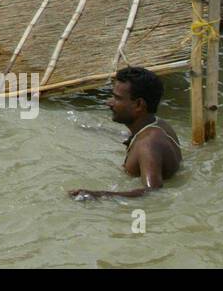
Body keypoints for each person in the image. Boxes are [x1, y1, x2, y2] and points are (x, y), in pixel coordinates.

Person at [69, 66, 182, 200]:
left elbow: (153, 192)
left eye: (117, 98)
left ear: (139, 105)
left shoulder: (147, 145)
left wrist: (97, 195)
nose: (109, 103)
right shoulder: (158, 125)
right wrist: (99, 131)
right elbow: (135, 137)